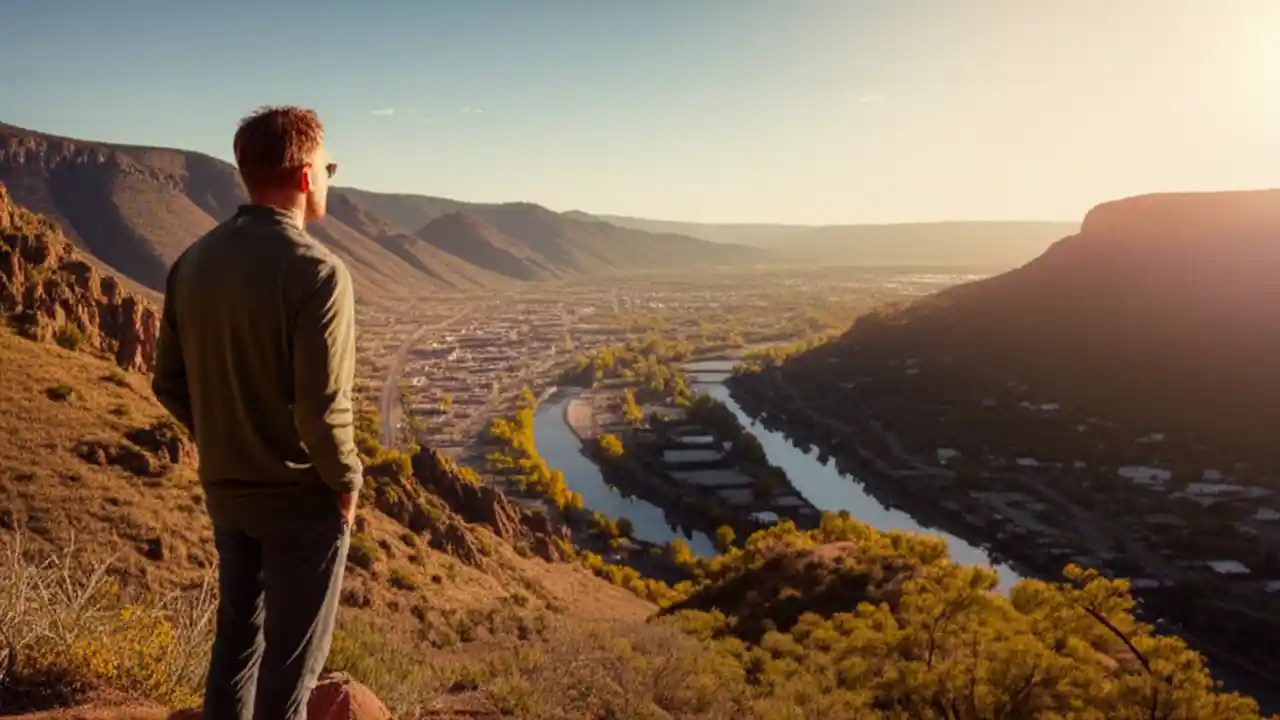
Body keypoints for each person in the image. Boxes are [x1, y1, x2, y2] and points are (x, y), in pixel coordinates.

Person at [153, 106, 362, 720]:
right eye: (327, 166)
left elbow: (168, 381)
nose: (329, 177)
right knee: (290, 672)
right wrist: (346, 479)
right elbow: (324, 409)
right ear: (304, 177)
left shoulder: (191, 263)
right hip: (300, 500)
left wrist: (226, 438)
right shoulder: (318, 273)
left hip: (228, 493)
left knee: (235, 648)